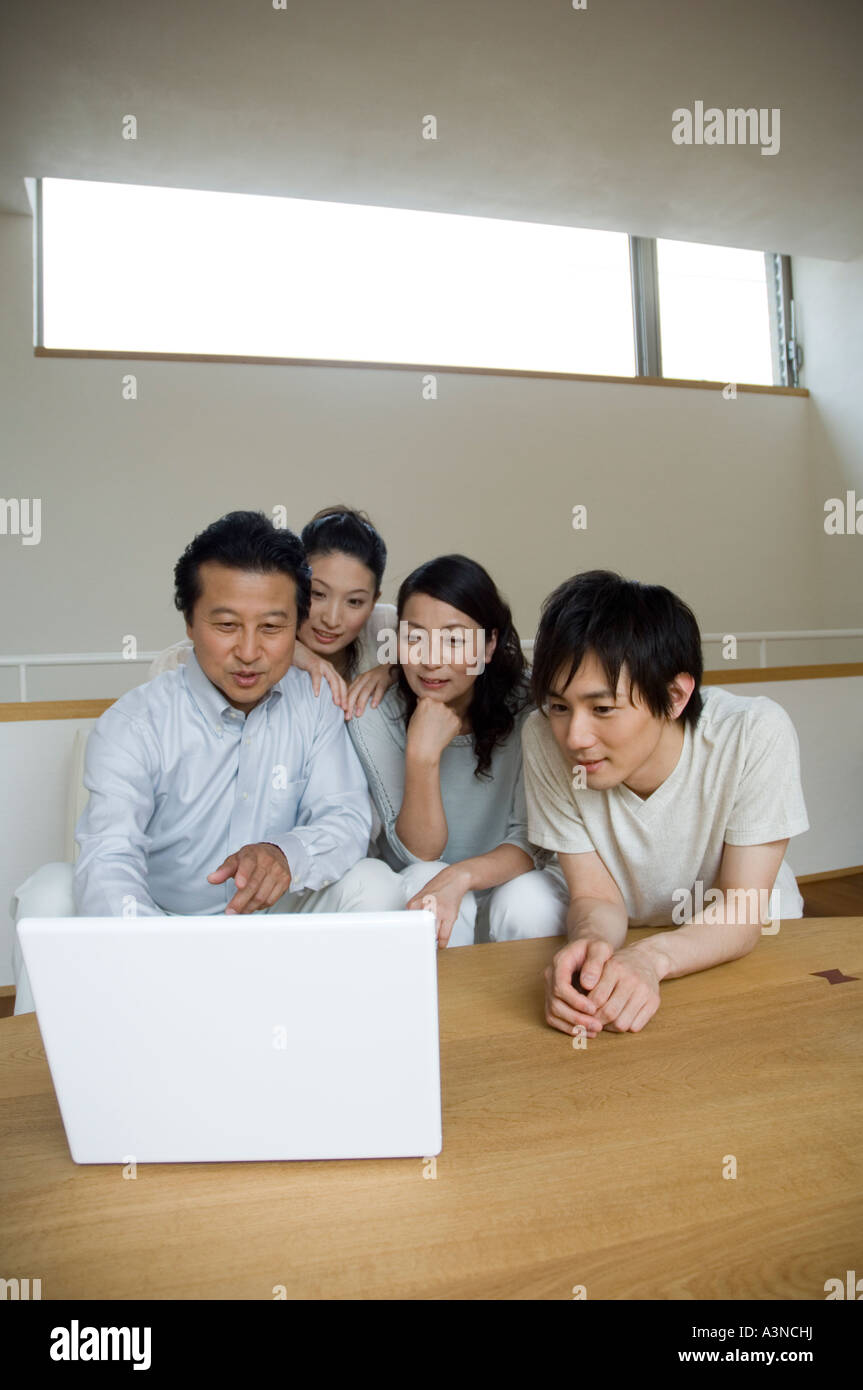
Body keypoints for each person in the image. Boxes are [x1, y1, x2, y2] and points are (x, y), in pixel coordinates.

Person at [522, 570, 809, 1038]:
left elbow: (741, 907)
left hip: (742, 937)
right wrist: (592, 947)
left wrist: (651, 958)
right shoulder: (541, 736)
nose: (574, 737)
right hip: (629, 938)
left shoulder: (754, 732)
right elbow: (596, 896)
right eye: (559, 706)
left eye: (603, 709)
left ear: (675, 696)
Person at [347, 554, 570, 947]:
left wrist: (462, 876)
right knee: (426, 881)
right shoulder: (374, 712)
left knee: (529, 900)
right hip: (414, 885)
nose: (431, 660)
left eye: (454, 640)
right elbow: (417, 853)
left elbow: (527, 840)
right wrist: (422, 755)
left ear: (488, 647)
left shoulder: (530, 709)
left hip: (507, 877)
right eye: (414, 638)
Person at [148, 506, 397, 720]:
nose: (331, 620)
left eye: (354, 601)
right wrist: (293, 651)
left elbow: (433, 642)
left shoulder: (385, 627)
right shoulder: (179, 665)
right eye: (318, 594)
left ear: (374, 601)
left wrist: (395, 670)